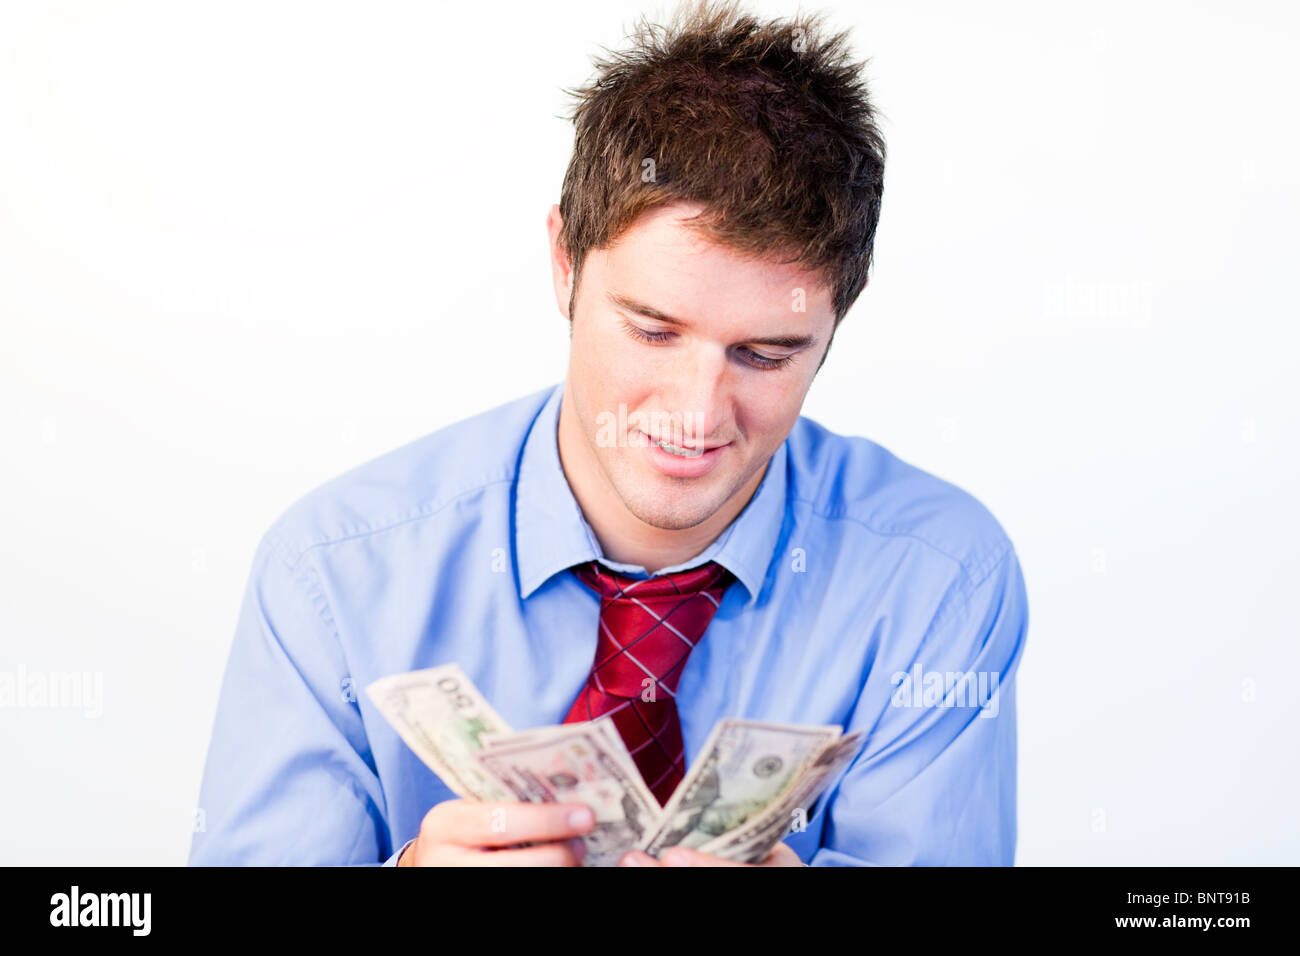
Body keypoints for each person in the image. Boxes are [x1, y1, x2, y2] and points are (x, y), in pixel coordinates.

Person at [189, 0, 1028, 868]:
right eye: (653, 331)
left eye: (766, 353)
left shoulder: (940, 582)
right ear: (564, 264)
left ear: (837, 320)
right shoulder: (332, 573)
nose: (696, 413)